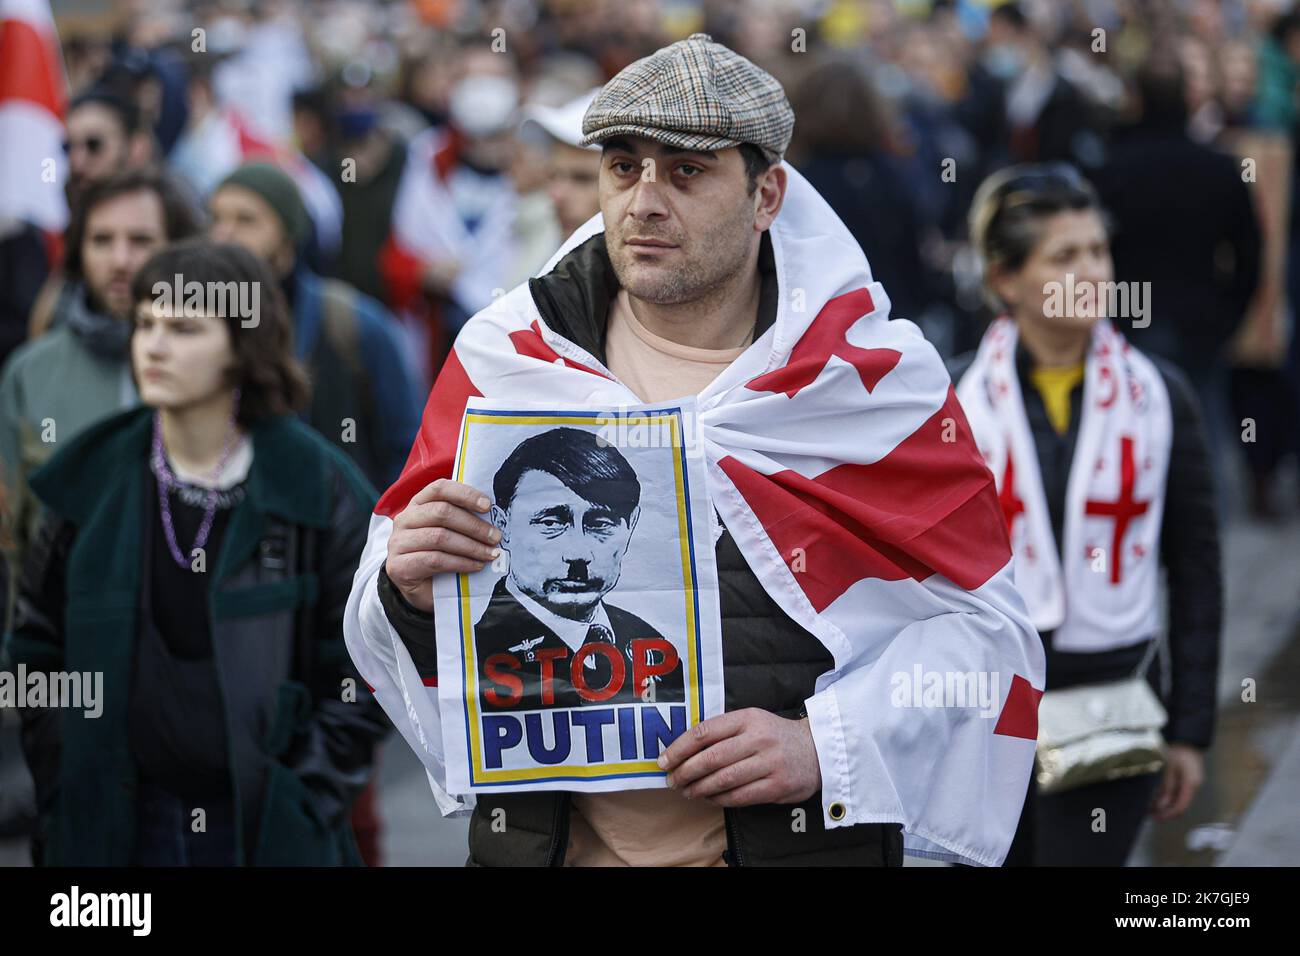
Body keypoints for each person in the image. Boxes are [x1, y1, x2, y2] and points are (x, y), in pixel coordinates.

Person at [347, 34, 1044, 868]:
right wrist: (410, 589)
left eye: (686, 172)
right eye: (621, 166)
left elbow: (985, 633)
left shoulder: (867, 382)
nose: (643, 201)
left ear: (766, 195)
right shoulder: (509, 360)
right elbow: (418, 617)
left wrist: (826, 745)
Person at [4, 239, 389, 866]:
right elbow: (35, 648)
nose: (153, 345)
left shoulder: (317, 485)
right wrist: (67, 781)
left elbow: (367, 664)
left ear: (242, 346)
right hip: (118, 829)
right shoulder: (88, 478)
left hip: (262, 829)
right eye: (146, 324)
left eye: (183, 328)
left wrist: (302, 800)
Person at [949, 163, 1223, 866]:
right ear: (1006, 280)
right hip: (985, 707)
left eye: (1098, 250)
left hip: (1114, 700)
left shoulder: (1161, 395)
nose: (1093, 271)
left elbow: (1196, 568)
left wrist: (1190, 729)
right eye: (1065, 256)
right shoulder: (950, 401)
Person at [0, 168, 201, 605]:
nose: (121, 260)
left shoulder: (215, 365)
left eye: (141, 240)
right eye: (102, 240)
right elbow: (12, 534)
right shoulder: (30, 372)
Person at [208, 161, 422, 490]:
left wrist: (381, 532)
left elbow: (409, 449)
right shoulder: (198, 325)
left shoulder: (355, 323)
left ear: (288, 233)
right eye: (217, 219)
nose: (224, 234)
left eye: (246, 220)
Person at [473, 428, 683, 711]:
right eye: (550, 523)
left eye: (601, 523)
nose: (577, 554)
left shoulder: (656, 649)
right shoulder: (467, 651)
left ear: (631, 525)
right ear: (503, 525)